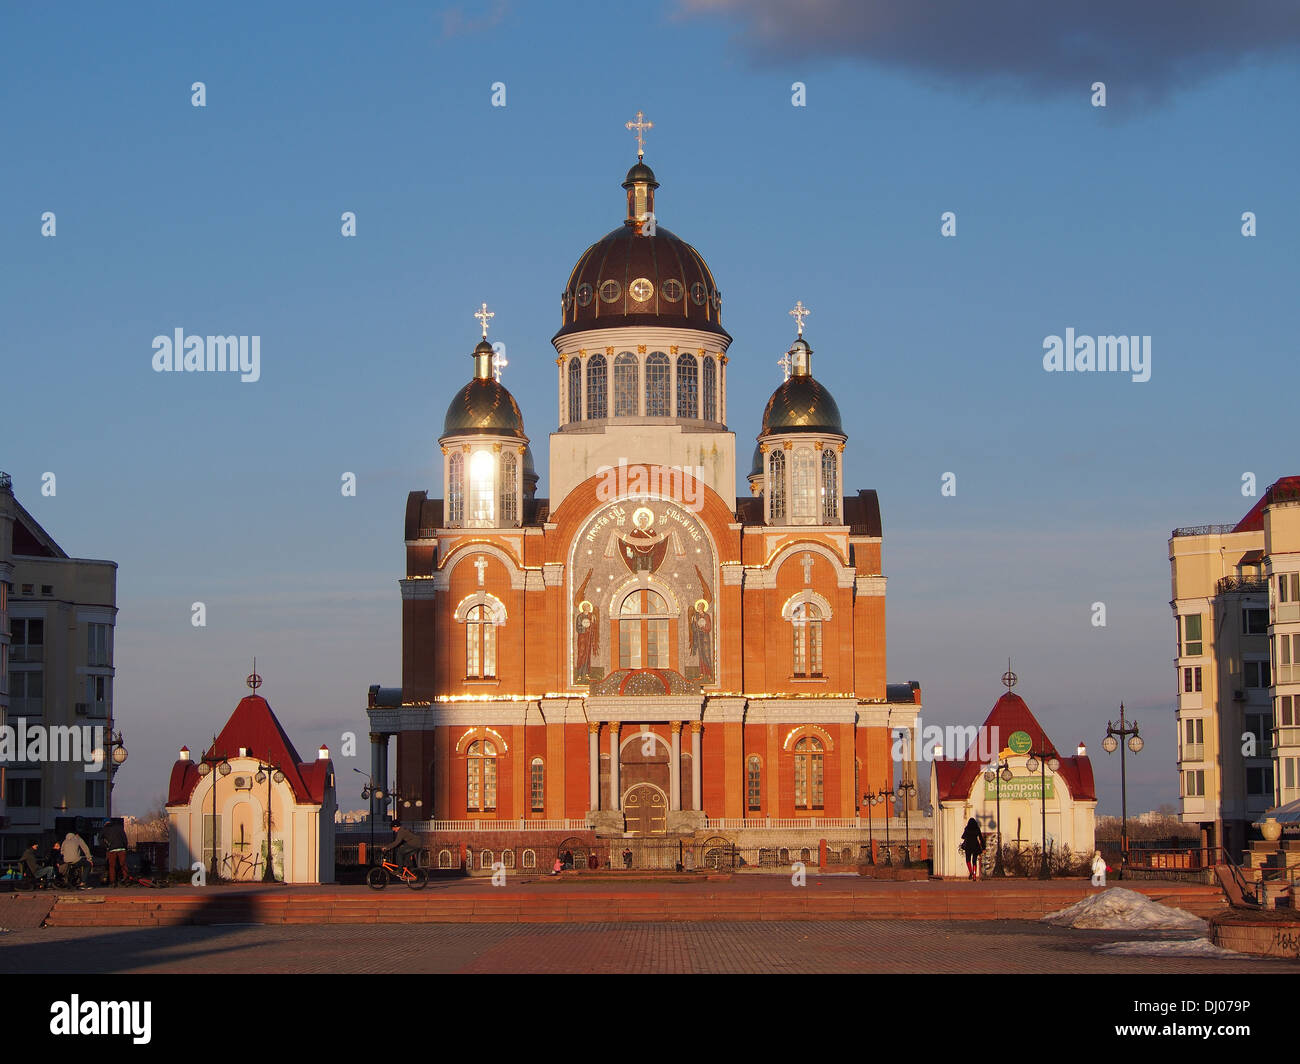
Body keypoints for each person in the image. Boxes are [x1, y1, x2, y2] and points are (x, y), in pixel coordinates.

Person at [101, 819, 129, 887]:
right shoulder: (119, 827)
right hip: (121, 848)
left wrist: (106, 846)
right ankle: (126, 879)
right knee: (123, 865)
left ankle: (112, 882)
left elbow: (100, 839)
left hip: (112, 849)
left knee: (111, 866)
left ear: (104, 824)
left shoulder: (105, 829)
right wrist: (125, 847)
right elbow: (125, 838)